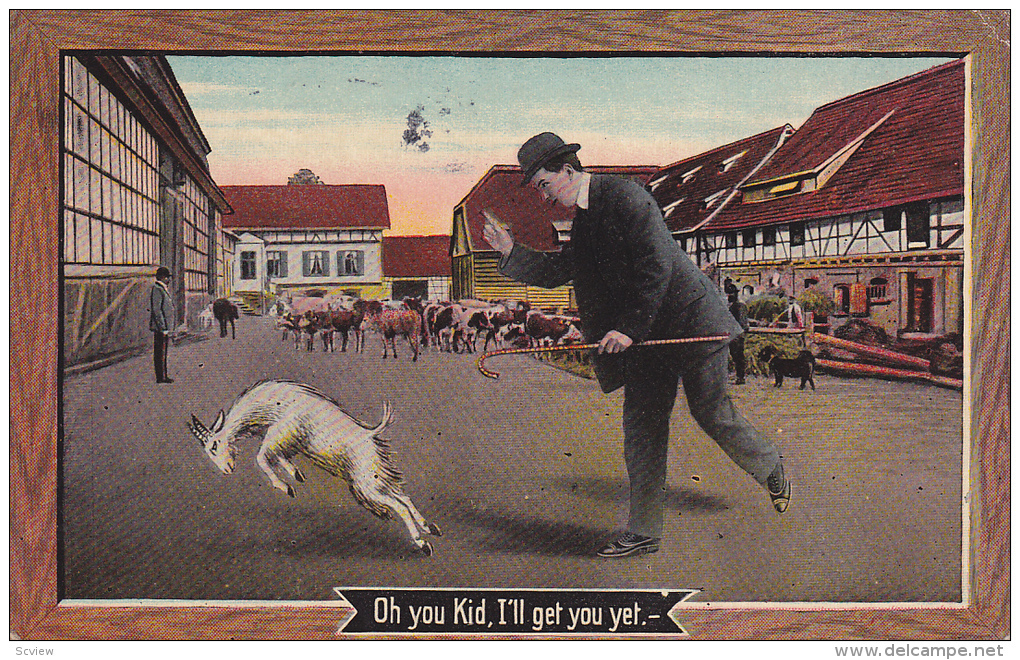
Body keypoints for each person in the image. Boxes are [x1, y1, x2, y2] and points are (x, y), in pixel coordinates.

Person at [482, 132, 791, 558]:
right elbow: (562, 269)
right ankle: (644, 531)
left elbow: (656, 266)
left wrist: (627, 328)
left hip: (691, 322)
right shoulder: (585, 219)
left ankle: (770, 466)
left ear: (567, 172)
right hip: (647, 338)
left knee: (711, 413)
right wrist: (512, 251)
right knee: (642, 430)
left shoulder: (629, 197)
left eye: (543, 185)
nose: (543, 198)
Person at [149, 266, 175, 383]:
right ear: (162, 278)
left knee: (163, 352)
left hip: (163, 327)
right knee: (160, 353)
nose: (169, 280)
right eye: (167, 277)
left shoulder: (162, 288)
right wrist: (163, 327)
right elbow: (157, 310)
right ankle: (161, 377)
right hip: (161, 328)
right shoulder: (157, 289)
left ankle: (163, 375)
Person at [728, 293, 749, 384]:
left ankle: (740, 377)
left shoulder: (735, 307)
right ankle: (740, 376)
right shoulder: (742, 306)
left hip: (736, 334)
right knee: (738, 356)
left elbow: (740, 321)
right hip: (739, 334)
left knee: (737, 356)